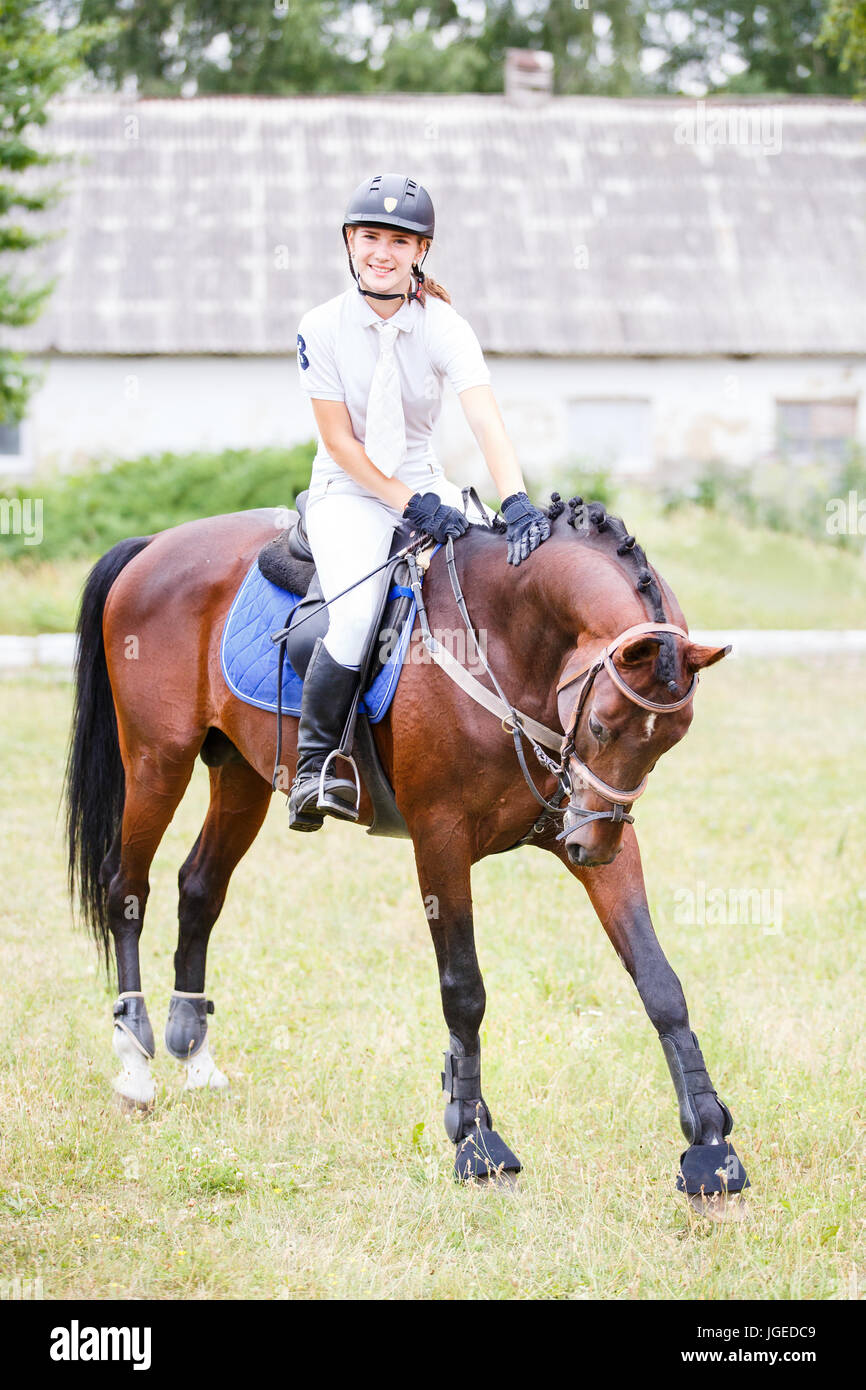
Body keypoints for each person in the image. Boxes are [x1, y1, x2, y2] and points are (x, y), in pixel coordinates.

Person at [289, 172, 551, 832]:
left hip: (425, 479)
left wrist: (514, 500)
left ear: (420, 251)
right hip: (348, 492)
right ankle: (315, 766)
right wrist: (409, 504)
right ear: (350, 242)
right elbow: (341, 443)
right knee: (351, 620)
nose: (382, 251)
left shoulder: (443, 325)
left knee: (503, 581)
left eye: (398, 241)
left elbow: (486, 419)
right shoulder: (319, 327)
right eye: (370, 236)